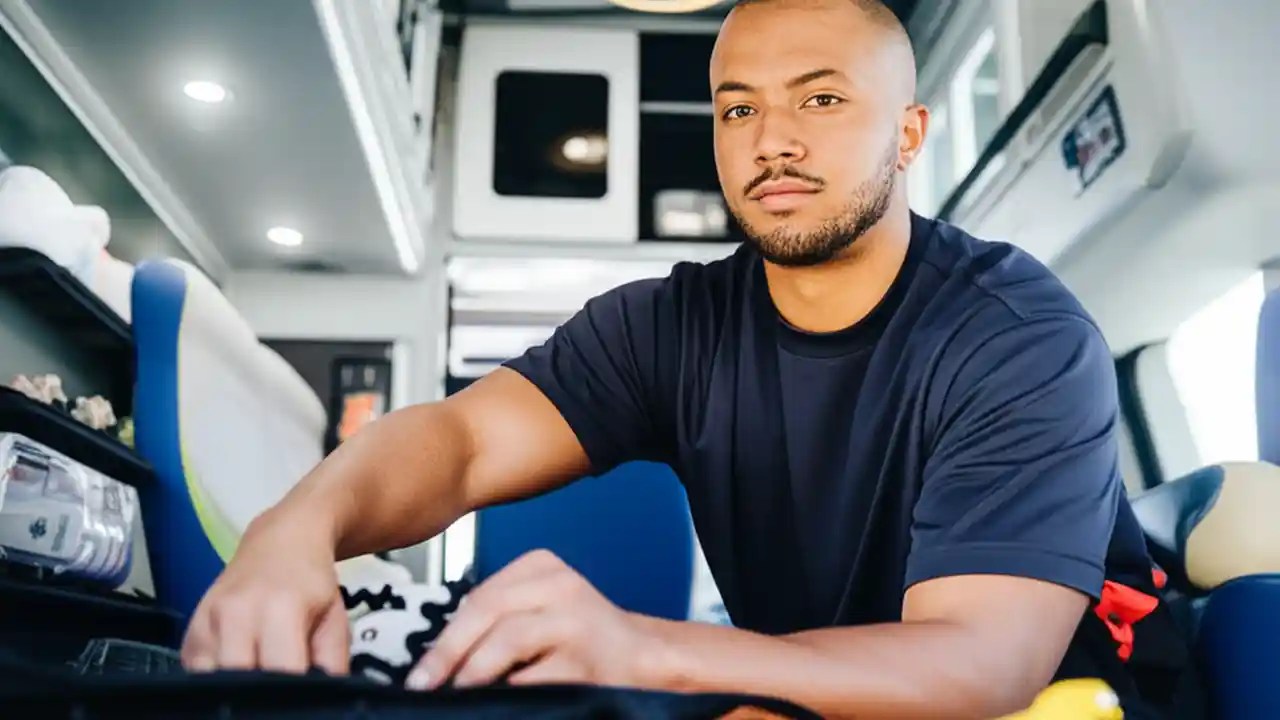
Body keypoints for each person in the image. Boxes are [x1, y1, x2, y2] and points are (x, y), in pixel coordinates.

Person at [181, 0, 1195, 717]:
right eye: (738, 107)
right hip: (809, 693)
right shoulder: (672, 325)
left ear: (908, 131)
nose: (771, 141)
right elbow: (456, 443)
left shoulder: (1012, 331)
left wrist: (643, 648)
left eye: (821, 100)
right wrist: (292, 533)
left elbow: (982, 667)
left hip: (1063, 703)